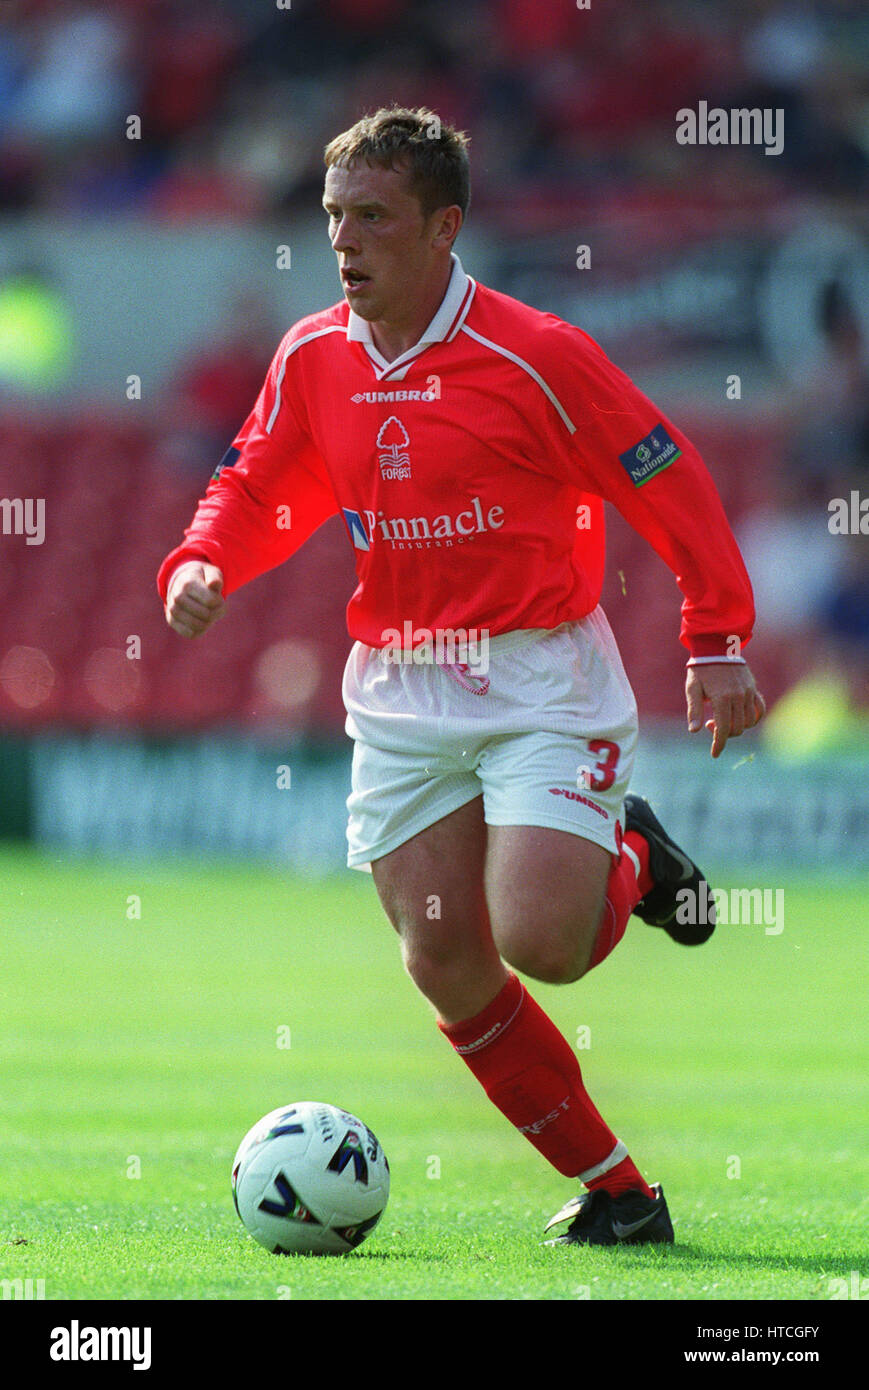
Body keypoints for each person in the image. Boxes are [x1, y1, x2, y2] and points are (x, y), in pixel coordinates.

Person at [157, 107, 766, 1247]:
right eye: (333, 215)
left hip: (536, 679)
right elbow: (252, 485)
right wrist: (200, 560)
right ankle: (619, 1193)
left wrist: (715, 637)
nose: (343, 240)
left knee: (541, 940)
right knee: (443, 959)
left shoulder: (536, 353)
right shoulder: (312, 356)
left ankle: (630, 850)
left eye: (372, 217)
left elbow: (662, 472)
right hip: (397, 688)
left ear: (443, 228)